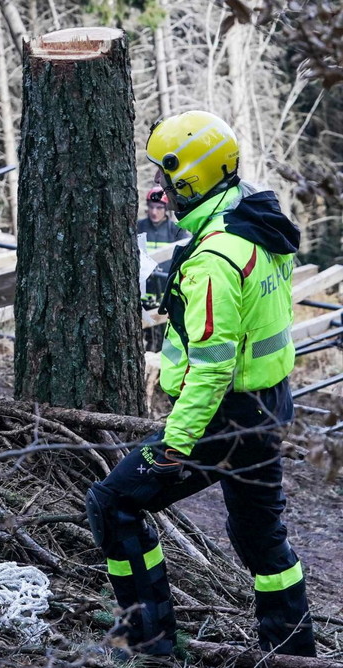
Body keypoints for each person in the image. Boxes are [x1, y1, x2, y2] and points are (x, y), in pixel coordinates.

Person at [86, 110, 314, 658]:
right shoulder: (257, 219)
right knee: (263, 542)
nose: (160, 188)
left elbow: (212, 366)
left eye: (167, 177)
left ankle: (148, 643)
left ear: (189, 179)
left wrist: (175, 445)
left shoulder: (214, 257)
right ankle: (291, 652)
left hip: (222, 418)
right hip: (268, 405)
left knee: (113, 503)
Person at [138, 176, 190, 305]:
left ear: (166, 209)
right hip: (142, 298)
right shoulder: (138, 228)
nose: (154, 212)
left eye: (159, 208)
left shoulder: (177, 231)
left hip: (166, 298)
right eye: (152, 207)